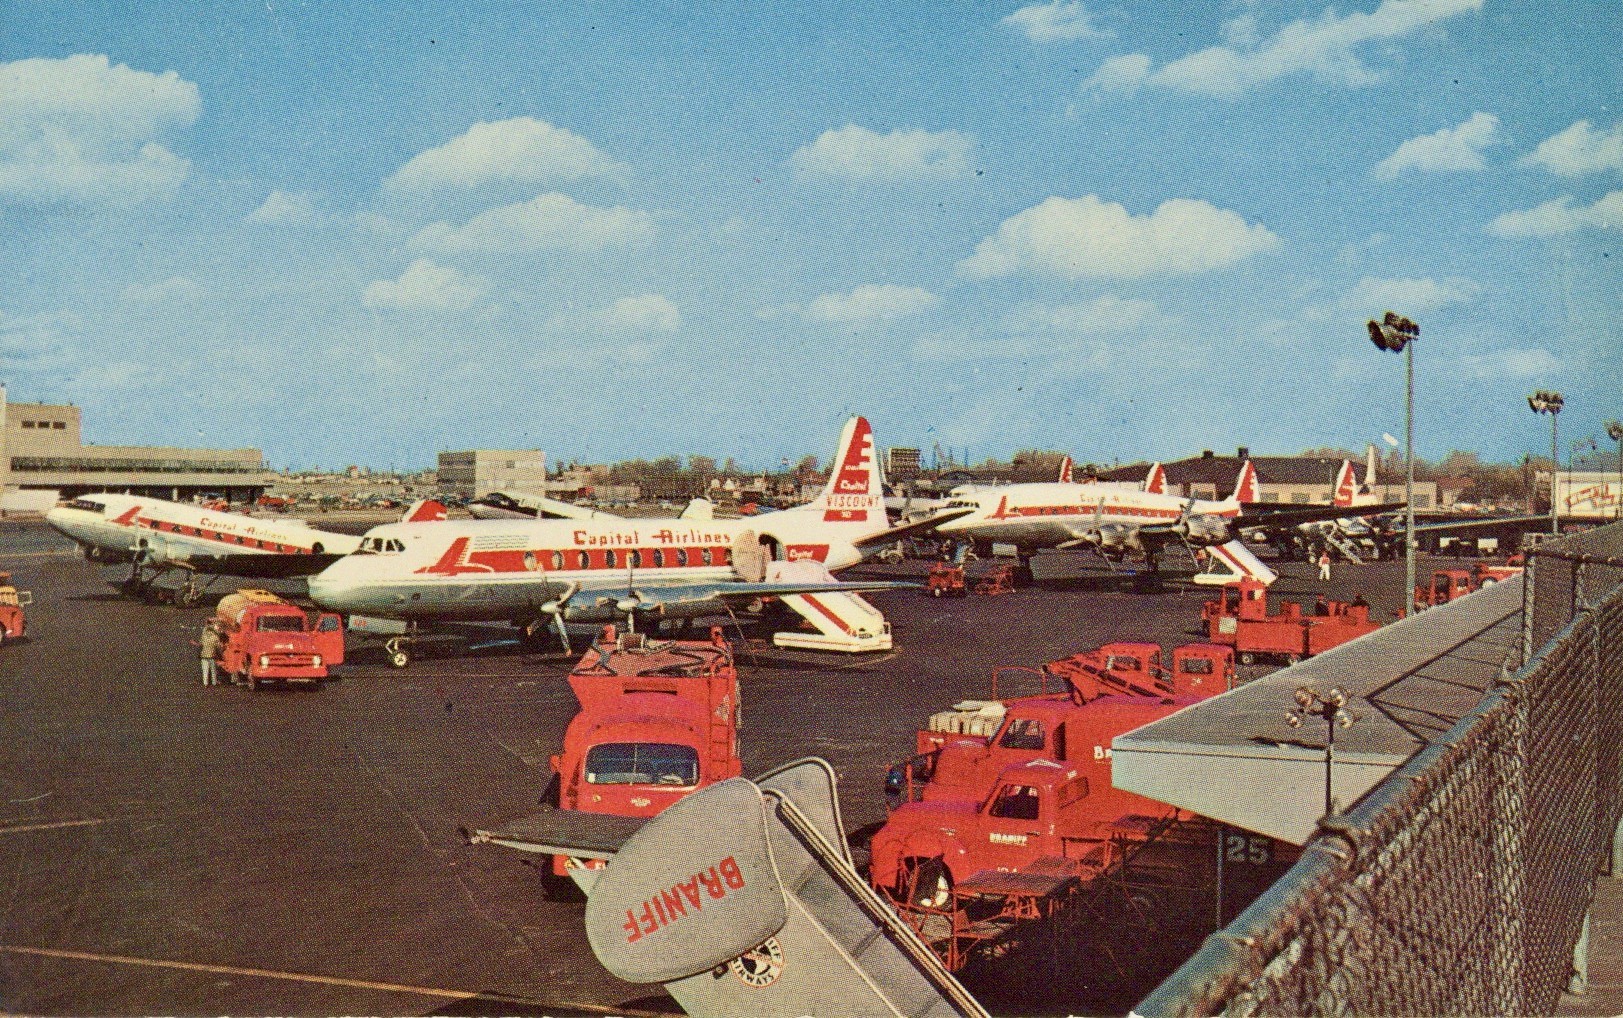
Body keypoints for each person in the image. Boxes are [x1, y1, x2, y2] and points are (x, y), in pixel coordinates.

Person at [199, 620, 222, 686]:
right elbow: (218, 647)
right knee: (213, 670)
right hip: (212, 655)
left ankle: (205, 683)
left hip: (204, 655)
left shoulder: (204, 636)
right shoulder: (215, 637)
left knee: (205, 670)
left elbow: (201, 644)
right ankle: (214, 682)